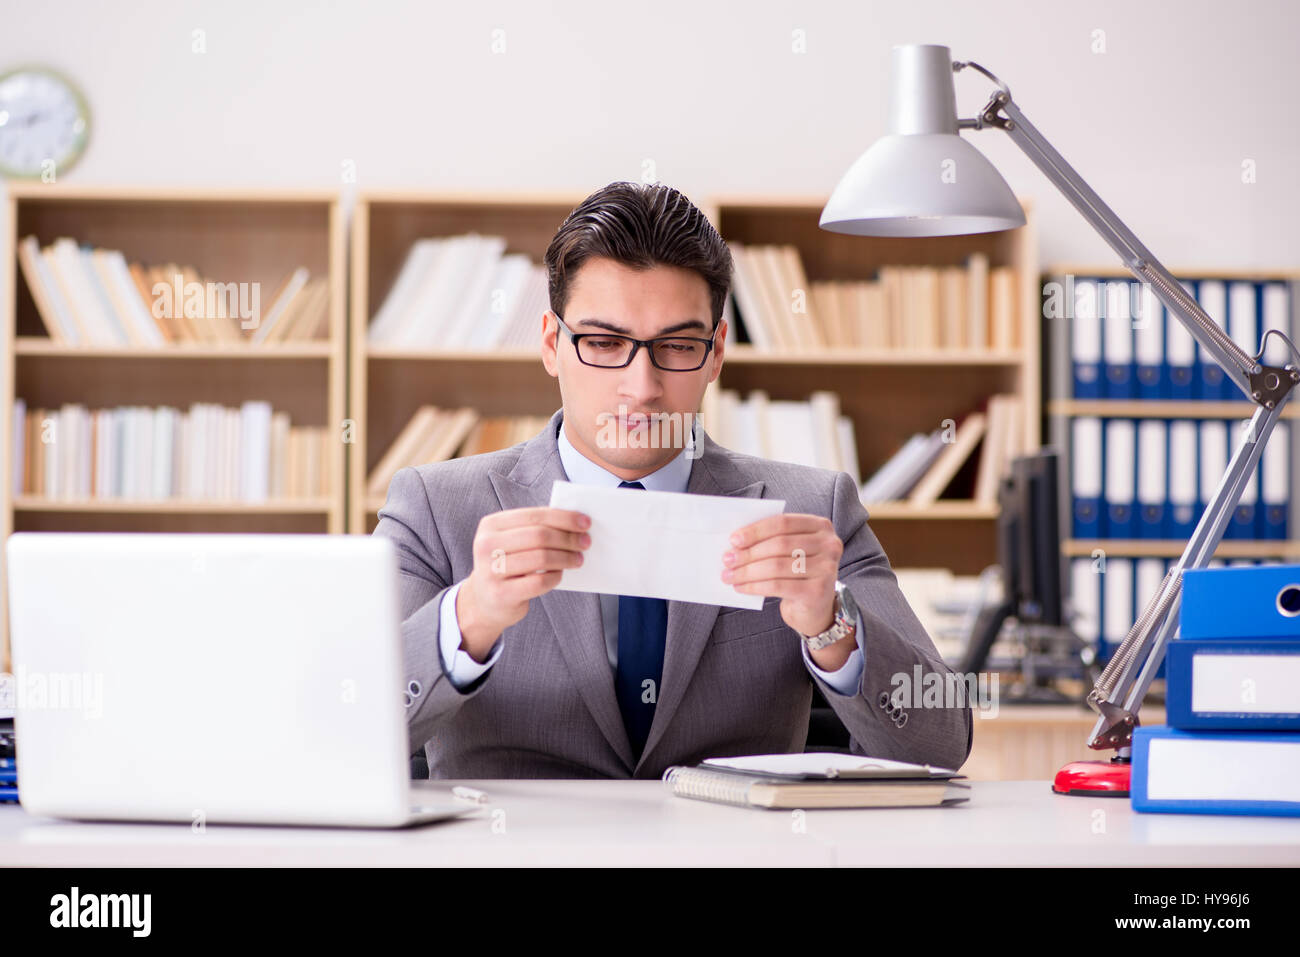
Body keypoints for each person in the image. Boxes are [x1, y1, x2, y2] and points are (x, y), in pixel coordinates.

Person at [374, 181, 973, 779]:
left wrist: (832, 627)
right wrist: (469, 616)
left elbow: (941, 744)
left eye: (678, 345)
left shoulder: (816, 510)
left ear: (715, 354)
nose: (642, 386)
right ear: (553, 345)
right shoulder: (436, 507)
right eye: (604, 343)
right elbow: (342, 726)